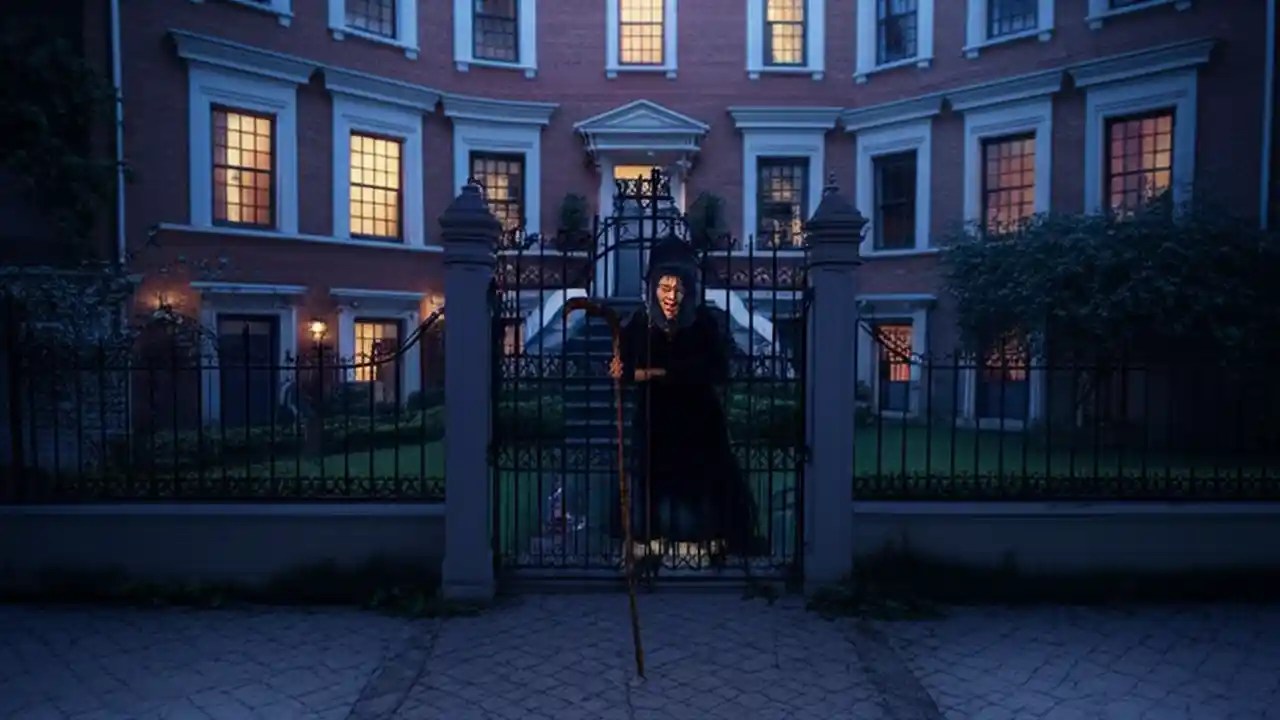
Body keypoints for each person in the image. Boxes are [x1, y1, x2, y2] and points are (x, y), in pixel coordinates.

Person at [607, 236, 765, 573]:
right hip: (654, 419)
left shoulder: (704, 322)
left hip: (697, 419)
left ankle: (708, 550)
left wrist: (674, 373)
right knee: (650, 490)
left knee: (704, 488)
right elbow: (624, 372)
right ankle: (647, 556)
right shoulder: (639, 323)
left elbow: (719, 370)